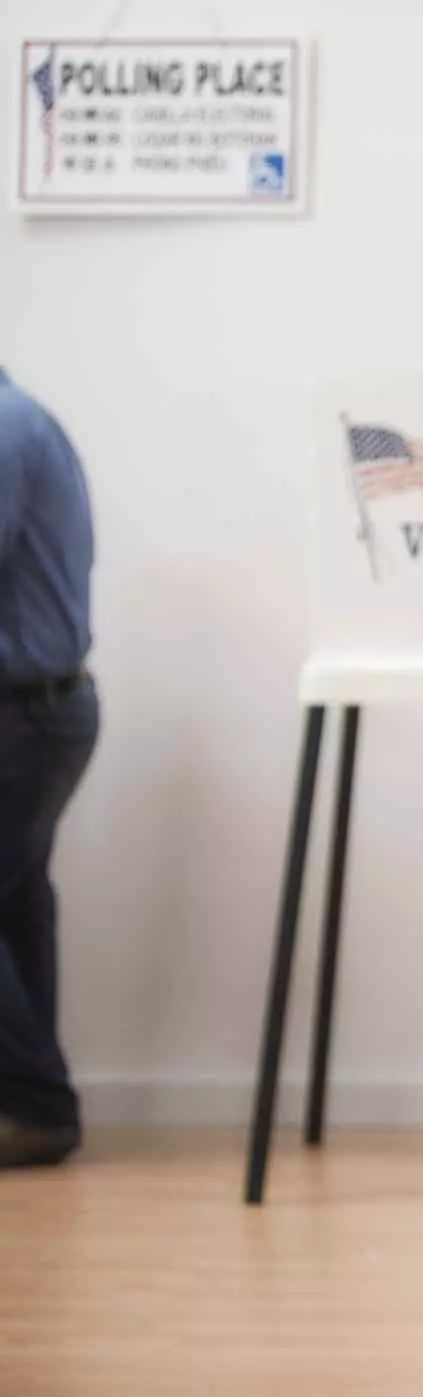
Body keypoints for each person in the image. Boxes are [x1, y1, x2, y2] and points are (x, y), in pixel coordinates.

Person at [0, 367, 98, 1170]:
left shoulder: (4, 427)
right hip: (43, 705)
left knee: (17, 897)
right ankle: (31, 1109)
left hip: (21, 710)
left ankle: (37, 1102)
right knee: (19, 899)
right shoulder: (27, 417)